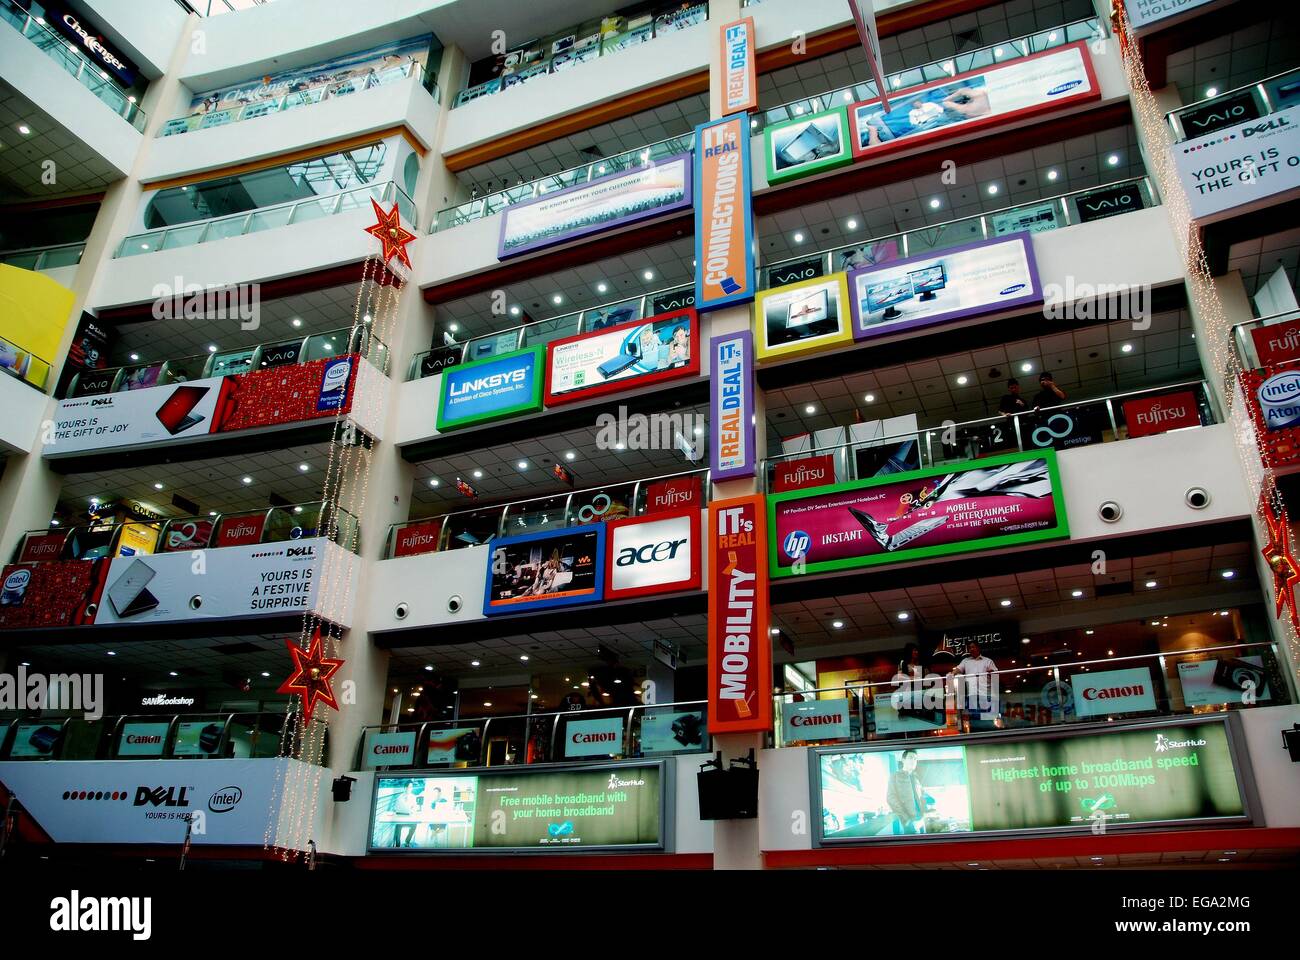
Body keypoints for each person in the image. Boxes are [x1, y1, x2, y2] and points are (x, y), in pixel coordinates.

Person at [952, 641, 999, 728]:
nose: (971, 649)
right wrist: (951, 674)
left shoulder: (988, 661)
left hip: (985, 694)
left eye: (973, 647)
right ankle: (976, 739)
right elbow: (958, 669)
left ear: (978, 648)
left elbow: (996, 673)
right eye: (970, 648)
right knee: (974, 721)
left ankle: (988, 738)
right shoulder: (965, 661)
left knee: (987, 720)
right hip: (972, 695)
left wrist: (991, 672)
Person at [886, 749, 927, 834]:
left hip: (921, 819)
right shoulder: (895, 776)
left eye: (915, 759)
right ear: (903, 760)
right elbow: (891, 798)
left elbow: (922, 796)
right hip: (909, 820)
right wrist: (906, 819)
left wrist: (925, 813)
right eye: (911, 757)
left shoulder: (916, 779)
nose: (913, 761)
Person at [393, 782, 418, 847]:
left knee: (414, 825)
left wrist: (412, 811)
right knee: (398, 826)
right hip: (400, 819)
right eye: (407, 787)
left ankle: (407, 841)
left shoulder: (413, 797)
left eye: (410, 787)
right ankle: (397, 846)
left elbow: (415, 808)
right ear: (404, 788)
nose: (408, 788)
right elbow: (395, 808)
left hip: (409, 819)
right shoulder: (399, 797)